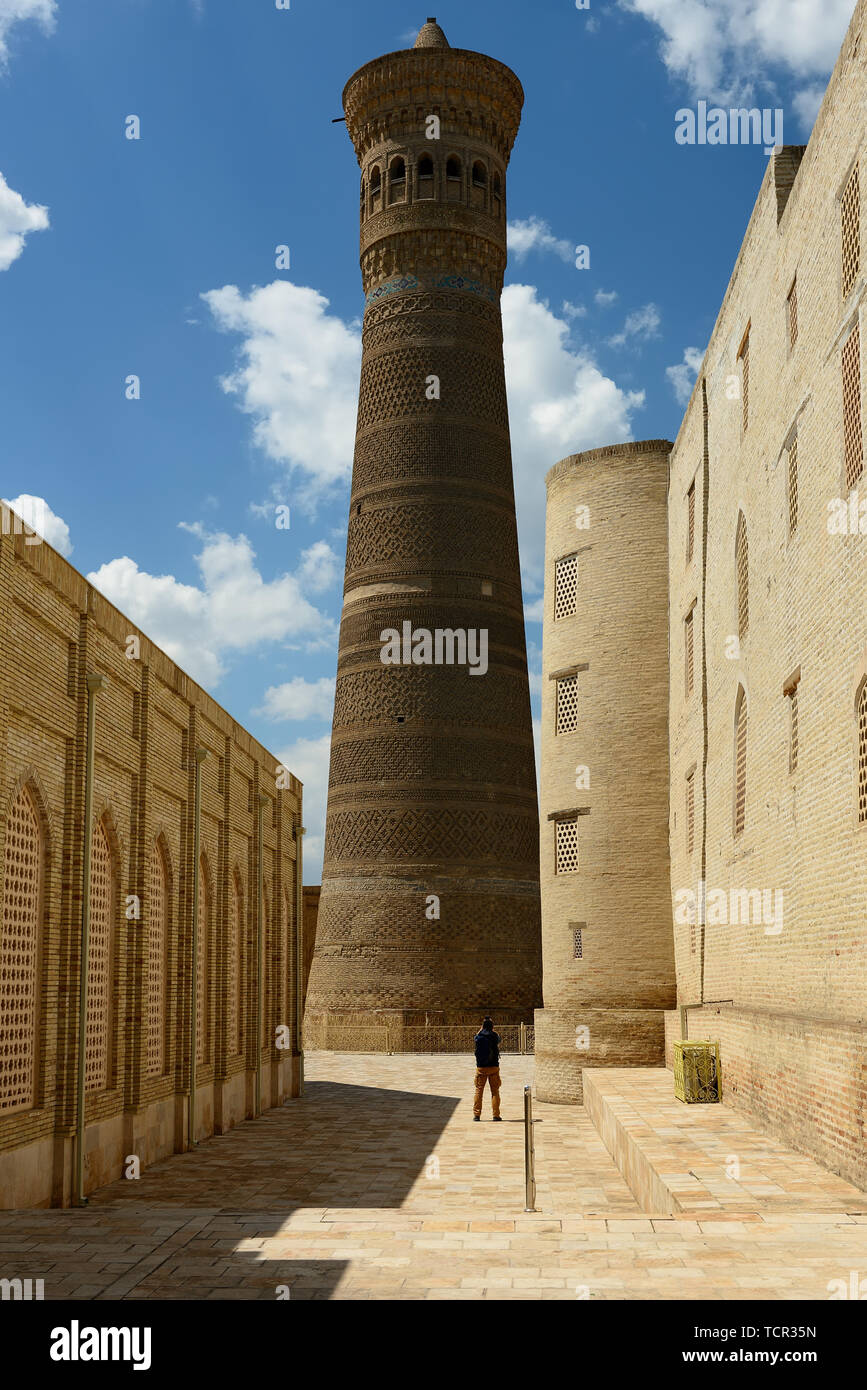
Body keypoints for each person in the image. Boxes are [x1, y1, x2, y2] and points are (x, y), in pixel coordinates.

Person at [472, 1016, 502, 1120]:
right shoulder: (494, 1036)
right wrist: (492, 1030)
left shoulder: (479, 1037)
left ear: (483, 1026)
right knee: (495, 1091)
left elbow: (475, 1038)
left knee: (479, 1091)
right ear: (492, 1026)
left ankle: (477, 1115)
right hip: (493, 1067)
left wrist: (481, 1029)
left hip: (481, 1068)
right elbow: (499, 1039)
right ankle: (496, 1115)